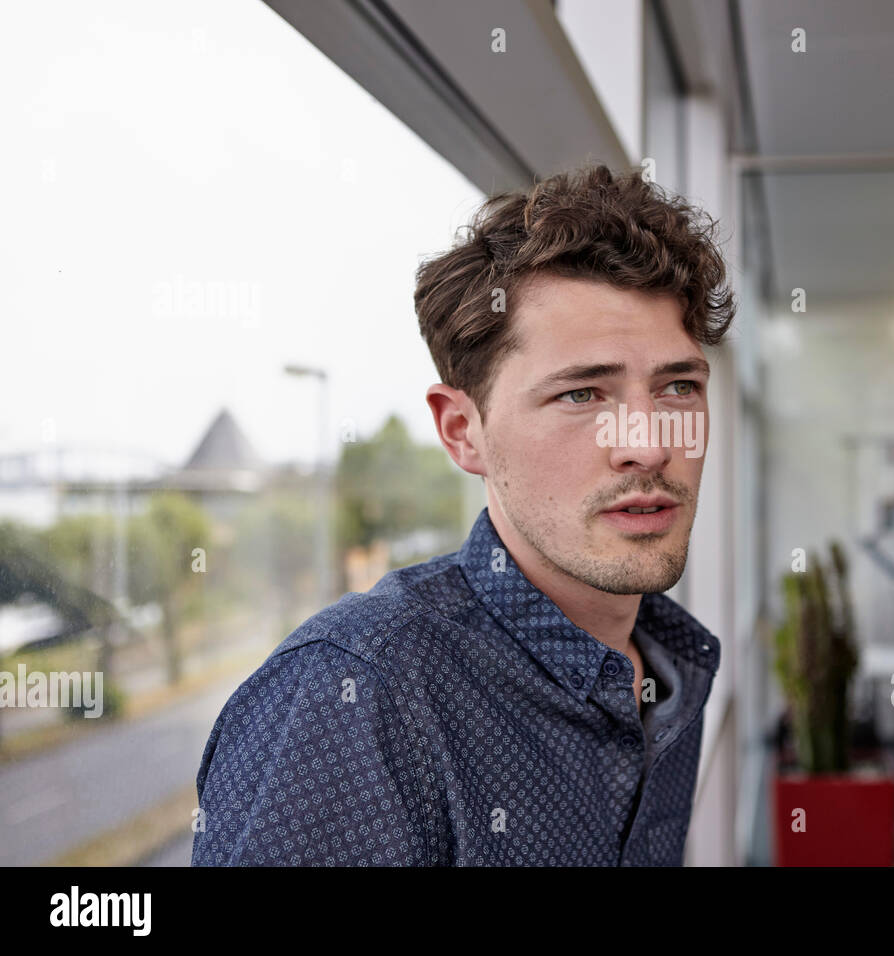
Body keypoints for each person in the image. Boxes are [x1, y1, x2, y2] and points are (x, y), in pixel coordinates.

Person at [191, 164, 735, 865]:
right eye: (581, 396)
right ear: (462, 432)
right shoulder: (355, 699)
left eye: (679, 386)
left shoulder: (669, 665)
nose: (650, 444)